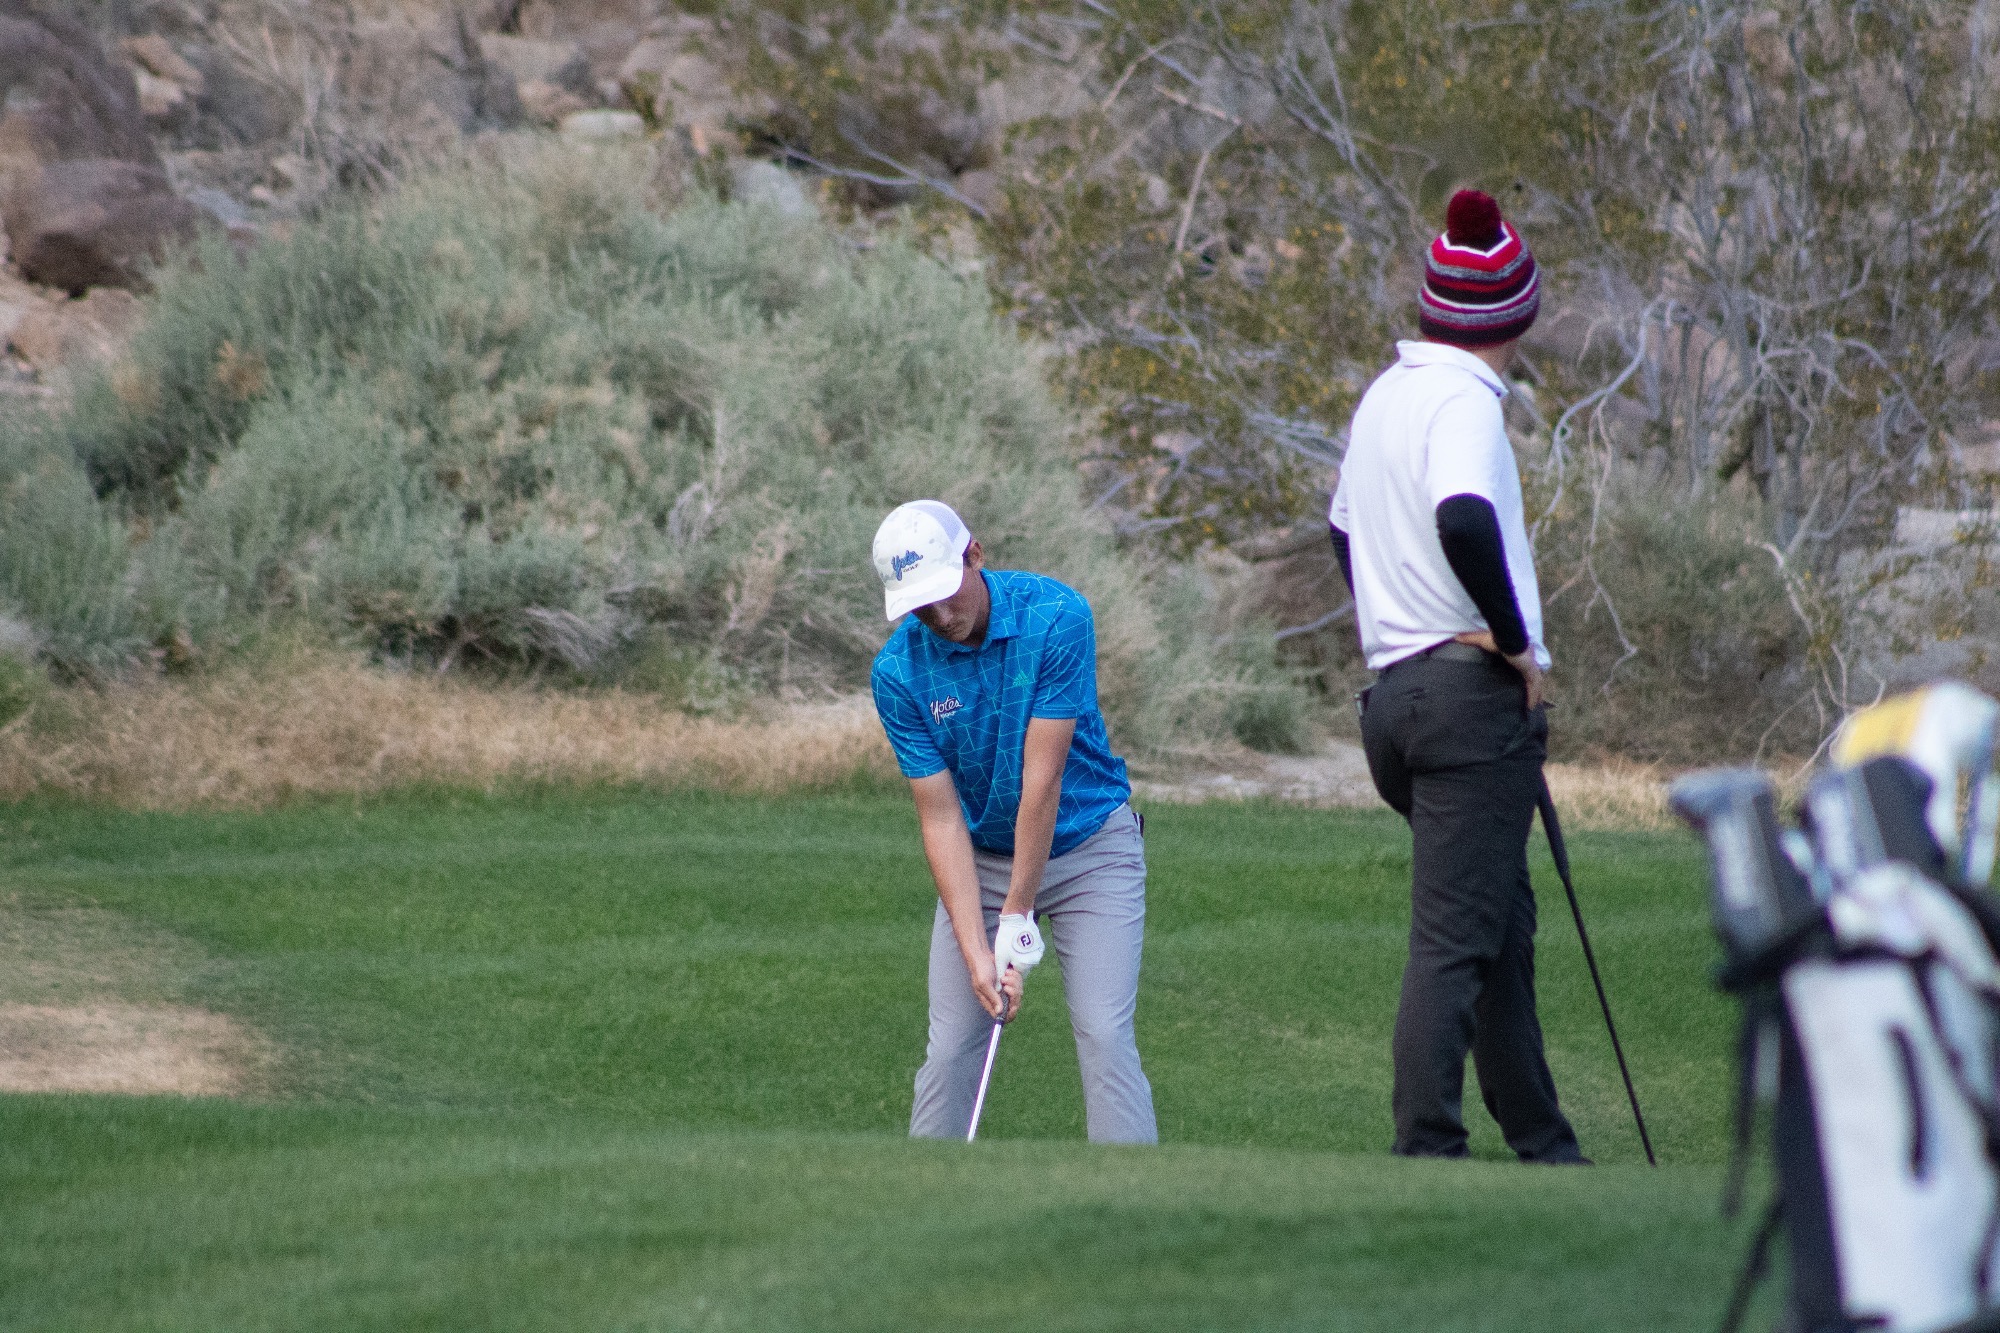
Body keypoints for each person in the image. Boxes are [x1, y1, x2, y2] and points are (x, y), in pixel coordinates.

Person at [1327, 189, 1587, 1164]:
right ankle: (1424, 1146)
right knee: (1452, 936)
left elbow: (1342, 530)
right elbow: (1465, 519)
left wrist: (1391, 620)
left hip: (1394, 702)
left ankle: (1542, 1144)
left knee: (1496, 921)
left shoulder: (1384, 396)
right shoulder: (1465, 402)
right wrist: (1512, 643)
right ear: (1512, 314)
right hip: (1466, 704)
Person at [868, 499, 1157, 1144]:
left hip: (1091, 848)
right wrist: (978, 951)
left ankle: (1135, 1206)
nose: (940, 616)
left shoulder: (1056, 616)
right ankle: (921, 1207)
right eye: (919, 605)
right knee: (949, 1052)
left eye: (945, 592)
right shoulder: (897, 673)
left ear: (975, 554)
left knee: (1105, 1034)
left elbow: (1042, 784)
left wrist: (1017, 924)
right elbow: (940, 816)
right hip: (984, 859)